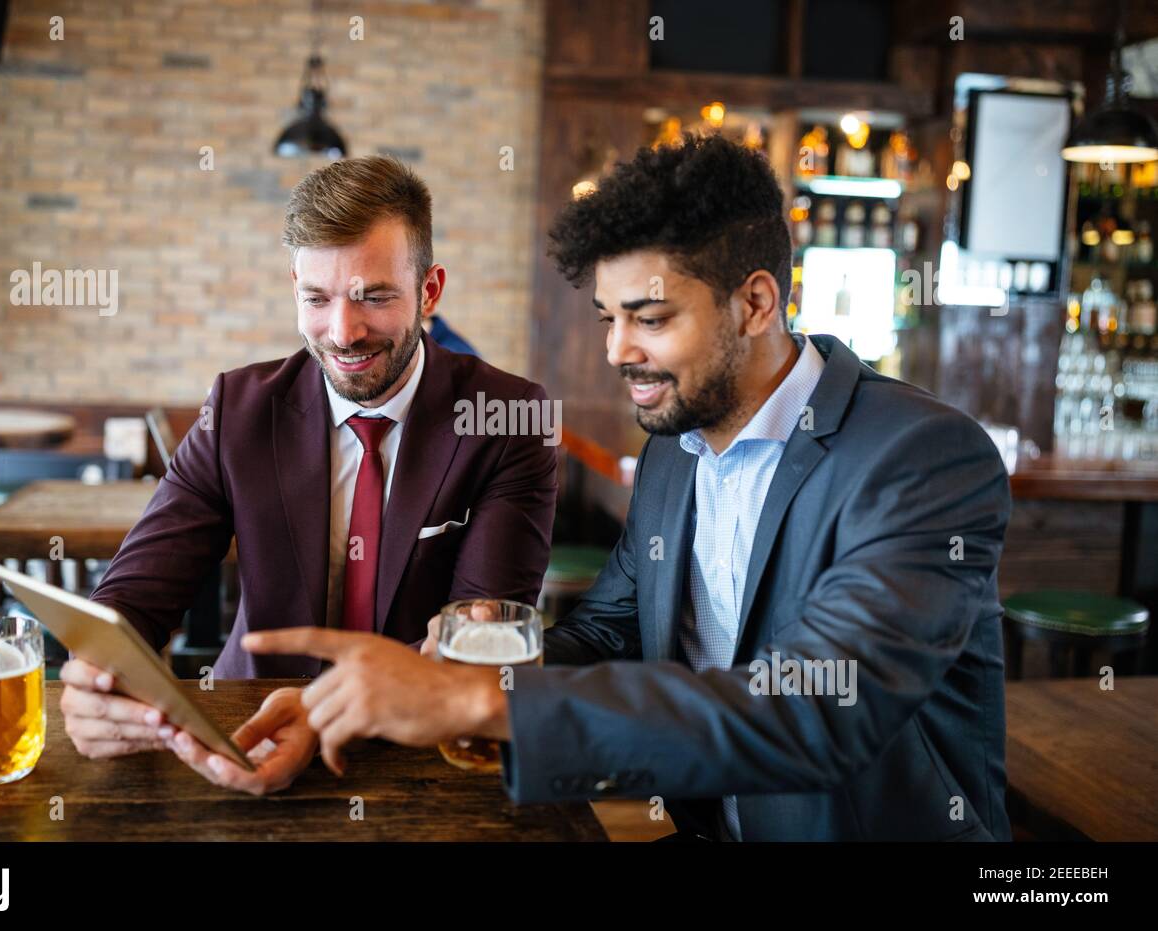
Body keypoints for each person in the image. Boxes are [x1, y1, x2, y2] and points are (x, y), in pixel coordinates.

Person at [238, 134, 1014, 840]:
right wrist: (407, 683)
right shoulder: (677, 451)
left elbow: (812, 708)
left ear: (755, 303)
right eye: (609, 318)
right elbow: (607, 633)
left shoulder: (921, 456)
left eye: (649, 318)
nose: (617, 351)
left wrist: (481, 703)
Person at [59, 156, 557, 795]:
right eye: (316, 299)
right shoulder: (238, 410)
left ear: (429, 291)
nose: (343, 332)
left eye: (374, 297)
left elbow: (475, 641)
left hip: (424, 756)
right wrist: (96, 675)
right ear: (294, 283)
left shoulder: (510, 419)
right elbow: (135, 595)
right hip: (247, 731)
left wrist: (331, 714)